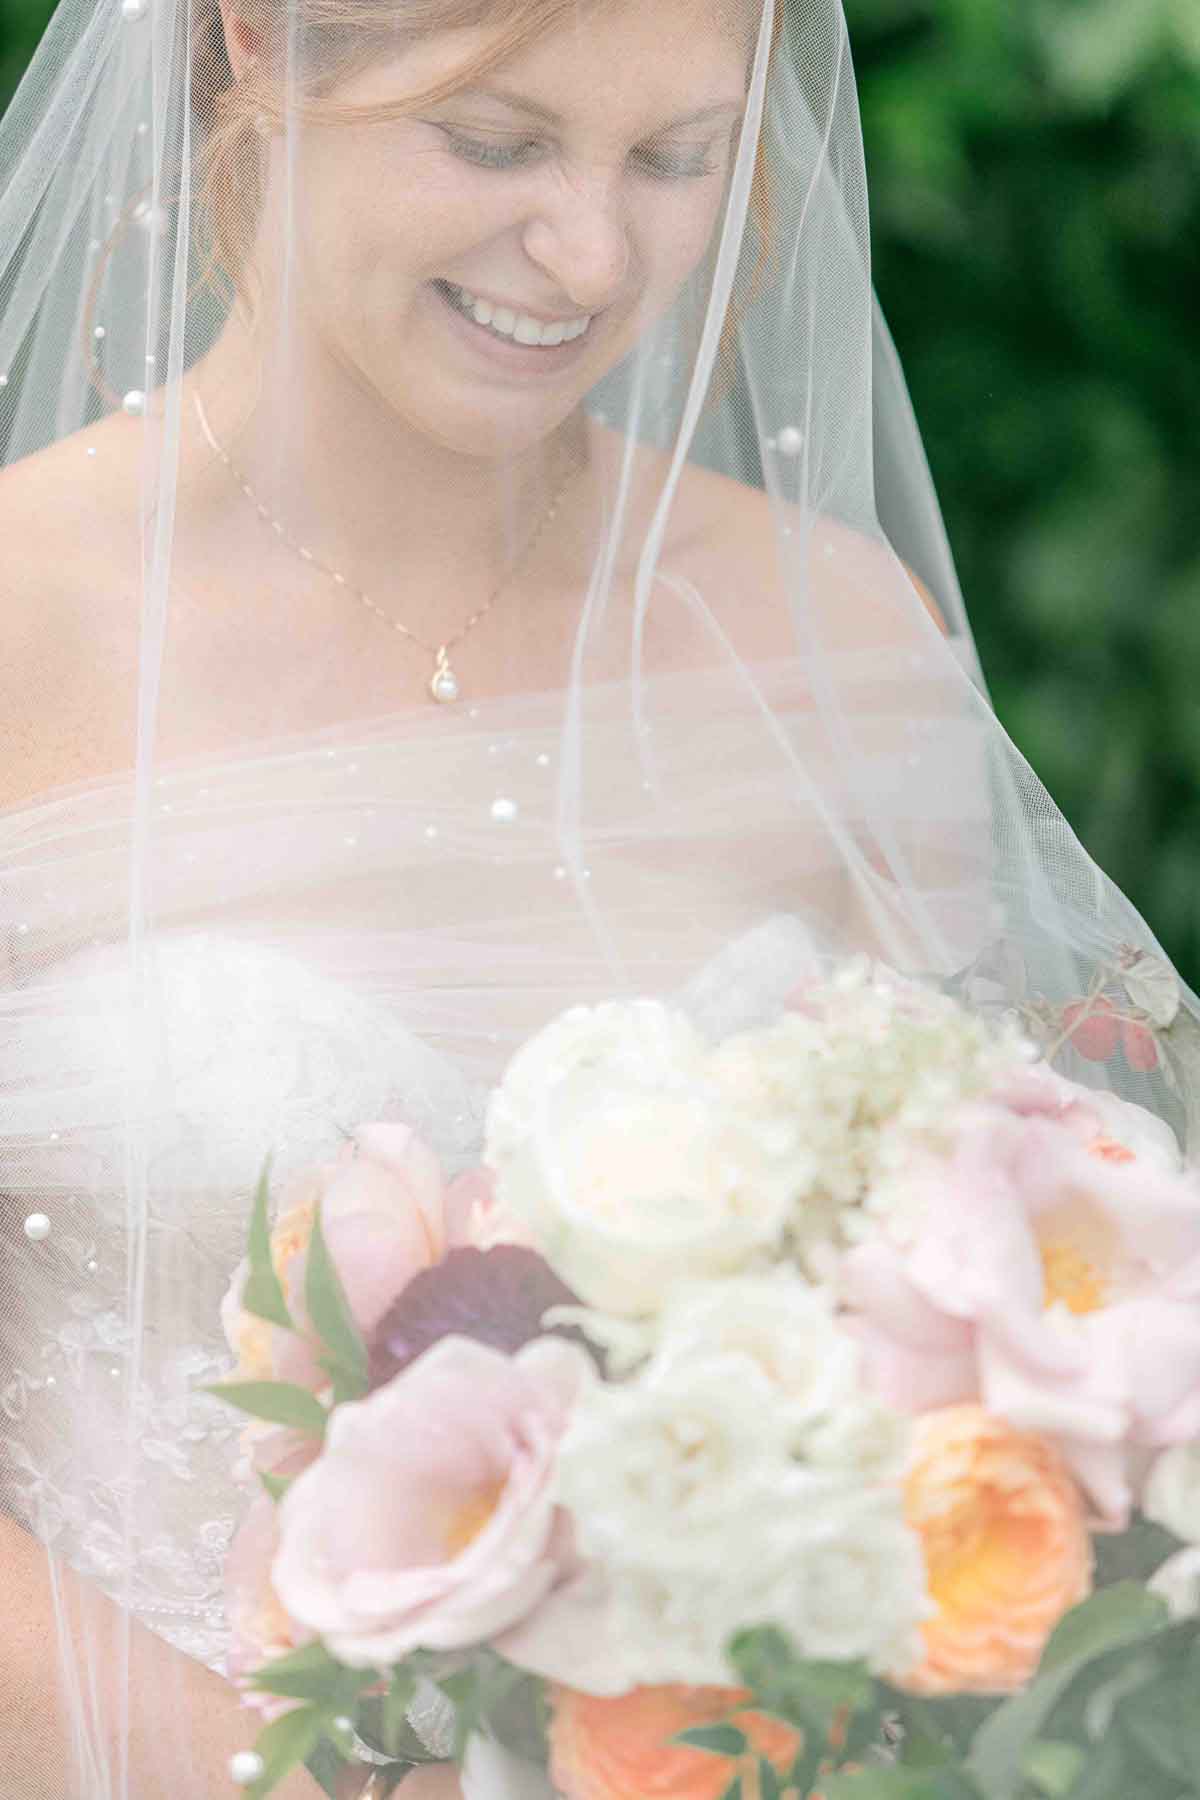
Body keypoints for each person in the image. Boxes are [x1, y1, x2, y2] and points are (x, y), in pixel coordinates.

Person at [0, 0, 1186, 1795]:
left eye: (676, 157)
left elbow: (1020, 1354)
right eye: (494, 142)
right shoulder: (26, 627)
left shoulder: (833, 640)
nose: (589, 252)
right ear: (256, 41)